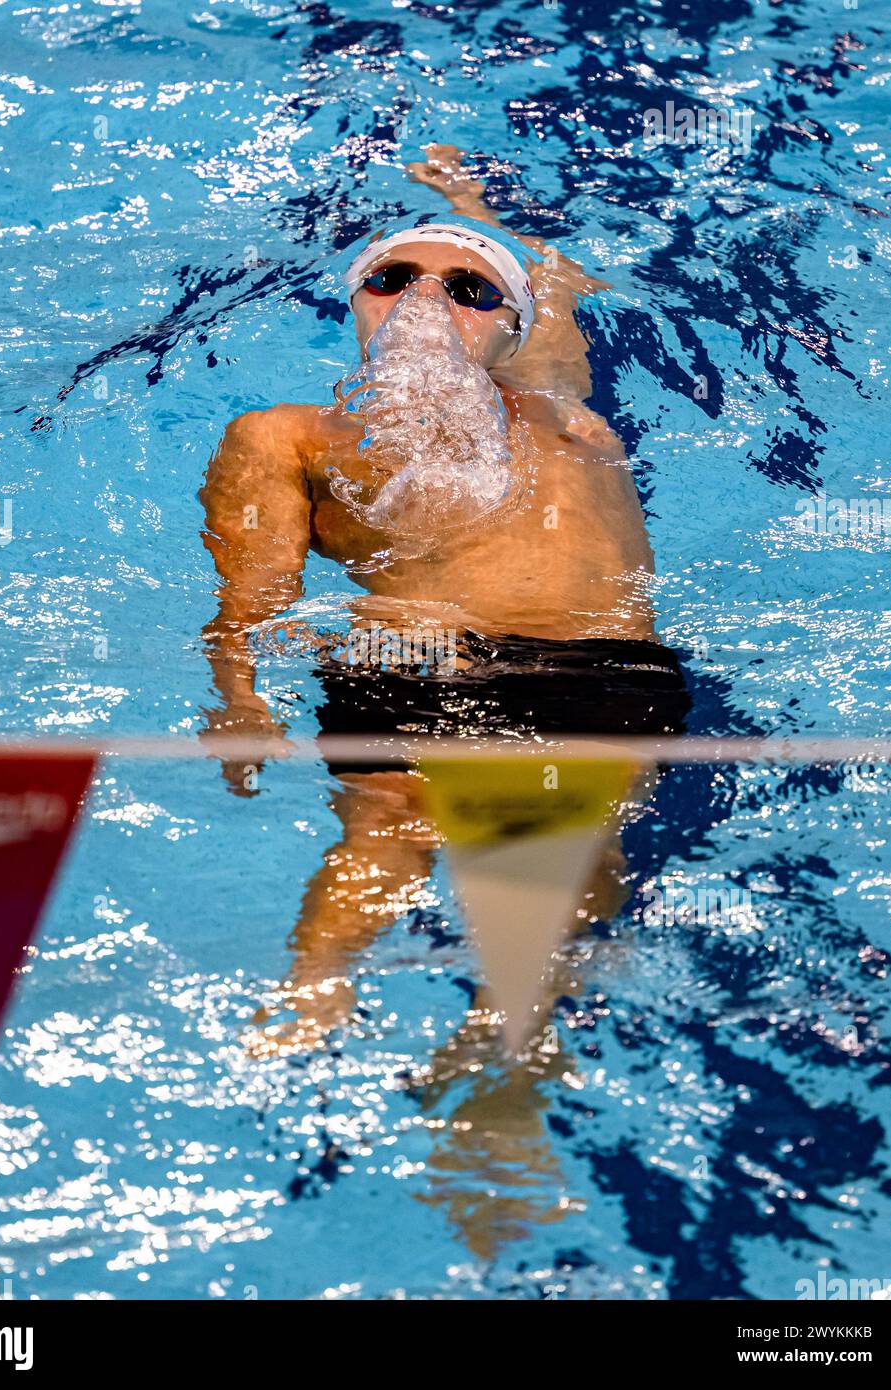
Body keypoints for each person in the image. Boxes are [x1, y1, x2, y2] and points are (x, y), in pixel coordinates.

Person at [200, 144, 689, 1054]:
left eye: (467, 289)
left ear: (510, 328)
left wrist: (465, 199)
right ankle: (313, 993)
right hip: (414, 659)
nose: (425, 300)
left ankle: (508, 1046)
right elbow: (251, 594)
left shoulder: (557, 406)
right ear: (356, 304)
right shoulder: (287, 435)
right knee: (386, 830)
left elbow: (555, 280)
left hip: (596, 668)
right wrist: (240, 699)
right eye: (391, 278)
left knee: (570, 856)